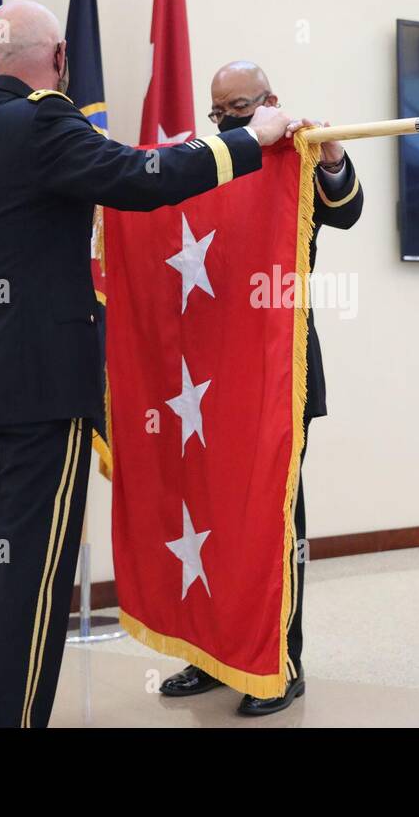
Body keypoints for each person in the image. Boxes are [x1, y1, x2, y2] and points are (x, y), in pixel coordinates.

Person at [0, 1, 294, 727]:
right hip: (45, 385)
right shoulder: (44, 121)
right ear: (60, 57)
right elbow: (144, 178)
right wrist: (250, 142)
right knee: (31, 576)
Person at [157, 61, 364, 715]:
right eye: (218, 113)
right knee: (211, 514)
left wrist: (331, 157)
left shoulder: (294, 158)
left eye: (239, 110)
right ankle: (212, 654)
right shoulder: (206, 160)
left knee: (271, 519)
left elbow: (349, 210)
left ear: (271, 100)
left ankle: (279, 663)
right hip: (207, 379)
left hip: (280, 373)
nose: (226, 123)